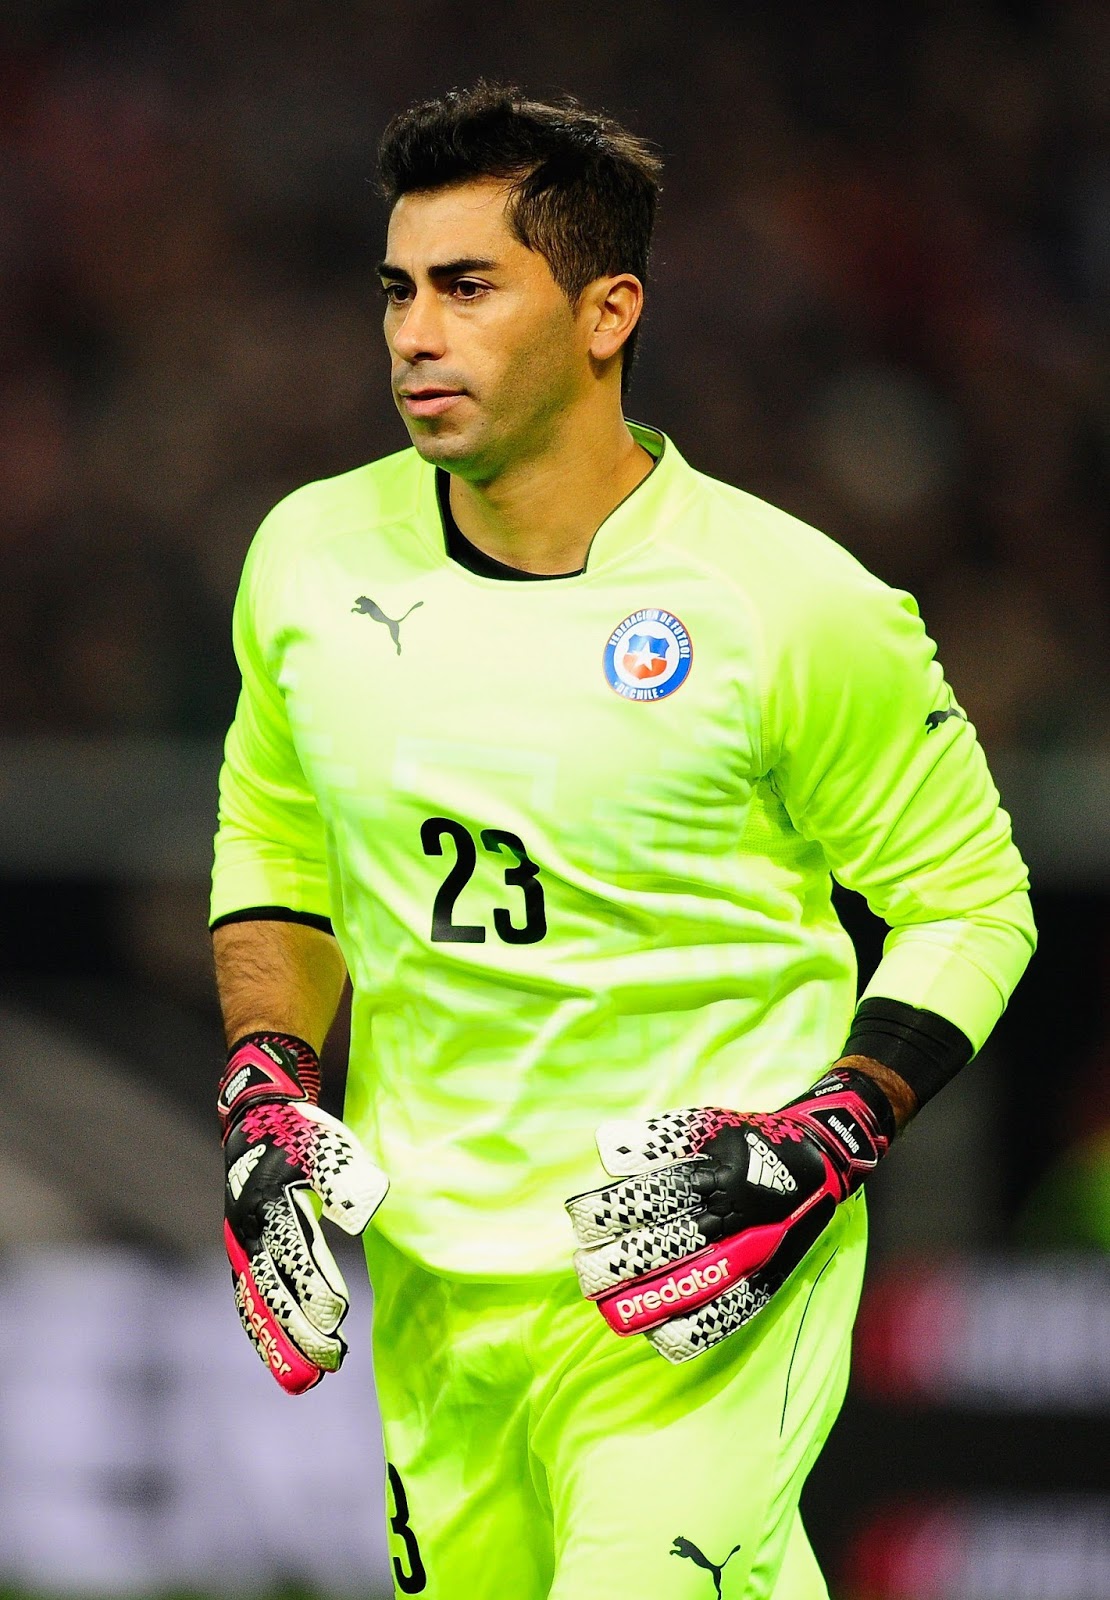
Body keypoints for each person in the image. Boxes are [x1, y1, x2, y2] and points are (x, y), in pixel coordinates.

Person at [211, 82, 1035, 1600]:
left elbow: (970, 902)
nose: (411, 333)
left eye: (467, 287)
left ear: (606, 312)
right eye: (396, 289)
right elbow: (276, 837)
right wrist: (267, 1085)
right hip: (441, 1284)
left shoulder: (789, 605)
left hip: (694, 1285)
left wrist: (829, 1131)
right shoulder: (309, 558)